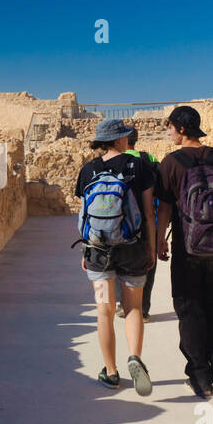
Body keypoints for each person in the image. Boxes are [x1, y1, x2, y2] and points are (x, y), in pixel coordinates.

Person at [154, 105, 213, 398]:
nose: (167, 132)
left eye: (169, 127)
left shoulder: (171, 162)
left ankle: (200, 376)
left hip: (188, 247)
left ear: (182, 129)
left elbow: (166, 208)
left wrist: (160, 241)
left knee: (190, 308)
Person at [74, 118, 157, 395]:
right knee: (133, 307)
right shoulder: (140, 166)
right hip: (133, 248)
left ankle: (110, 372)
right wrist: (152, 247)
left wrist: (86, 249)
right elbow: (147, 213)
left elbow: (85, 213)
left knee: (104, 310)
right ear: (121, 140)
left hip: (98, 251)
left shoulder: (88, 170)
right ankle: (135, 357)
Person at [122, 127, 160, 320]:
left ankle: (125, 305)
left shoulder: (115, 160)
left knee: (122, 262)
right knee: (148, 264)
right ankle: (143, 309)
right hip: (147, 220)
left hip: (122, 222)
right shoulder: (150, 159)